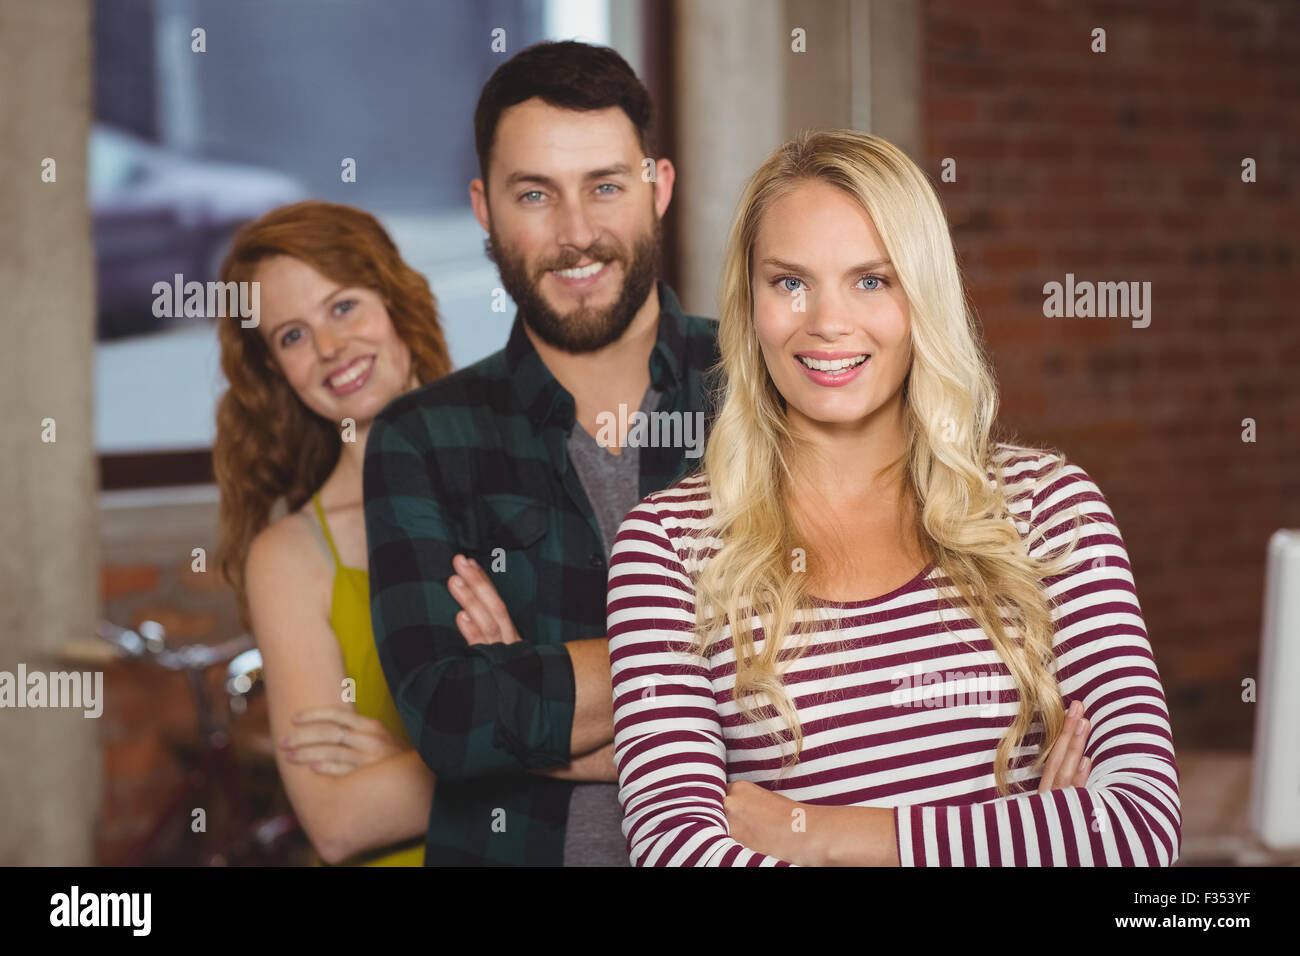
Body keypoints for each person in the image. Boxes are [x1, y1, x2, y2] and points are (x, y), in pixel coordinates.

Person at [606, 130, 1182, 866]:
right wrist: (1026, 837)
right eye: (789, 282)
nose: (827, 322)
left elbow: (1136, 832)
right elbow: (676, 850)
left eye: (871, 280)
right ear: (749, 304)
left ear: (922, 296)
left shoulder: (1052, 509)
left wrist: (817, 835)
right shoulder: (666, 548)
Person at [363, 41, 720, 866]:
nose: (578, 235)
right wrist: (718, 656)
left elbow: (845, 673)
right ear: (485, 209)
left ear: (658, 188)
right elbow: (453, 720)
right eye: (536, 194)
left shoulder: (763, 391)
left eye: (606, 185)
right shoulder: (424, 437)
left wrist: (531, 695)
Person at [213, 200, 454, 865]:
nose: (327, 348)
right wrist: (518, 768)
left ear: (397, 303)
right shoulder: (288, 556)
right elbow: (339, 820)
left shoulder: (518, 471)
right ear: (274, 373)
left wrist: (409, 768)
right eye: (291, 335)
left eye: (343, 306)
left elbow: (626, 738)